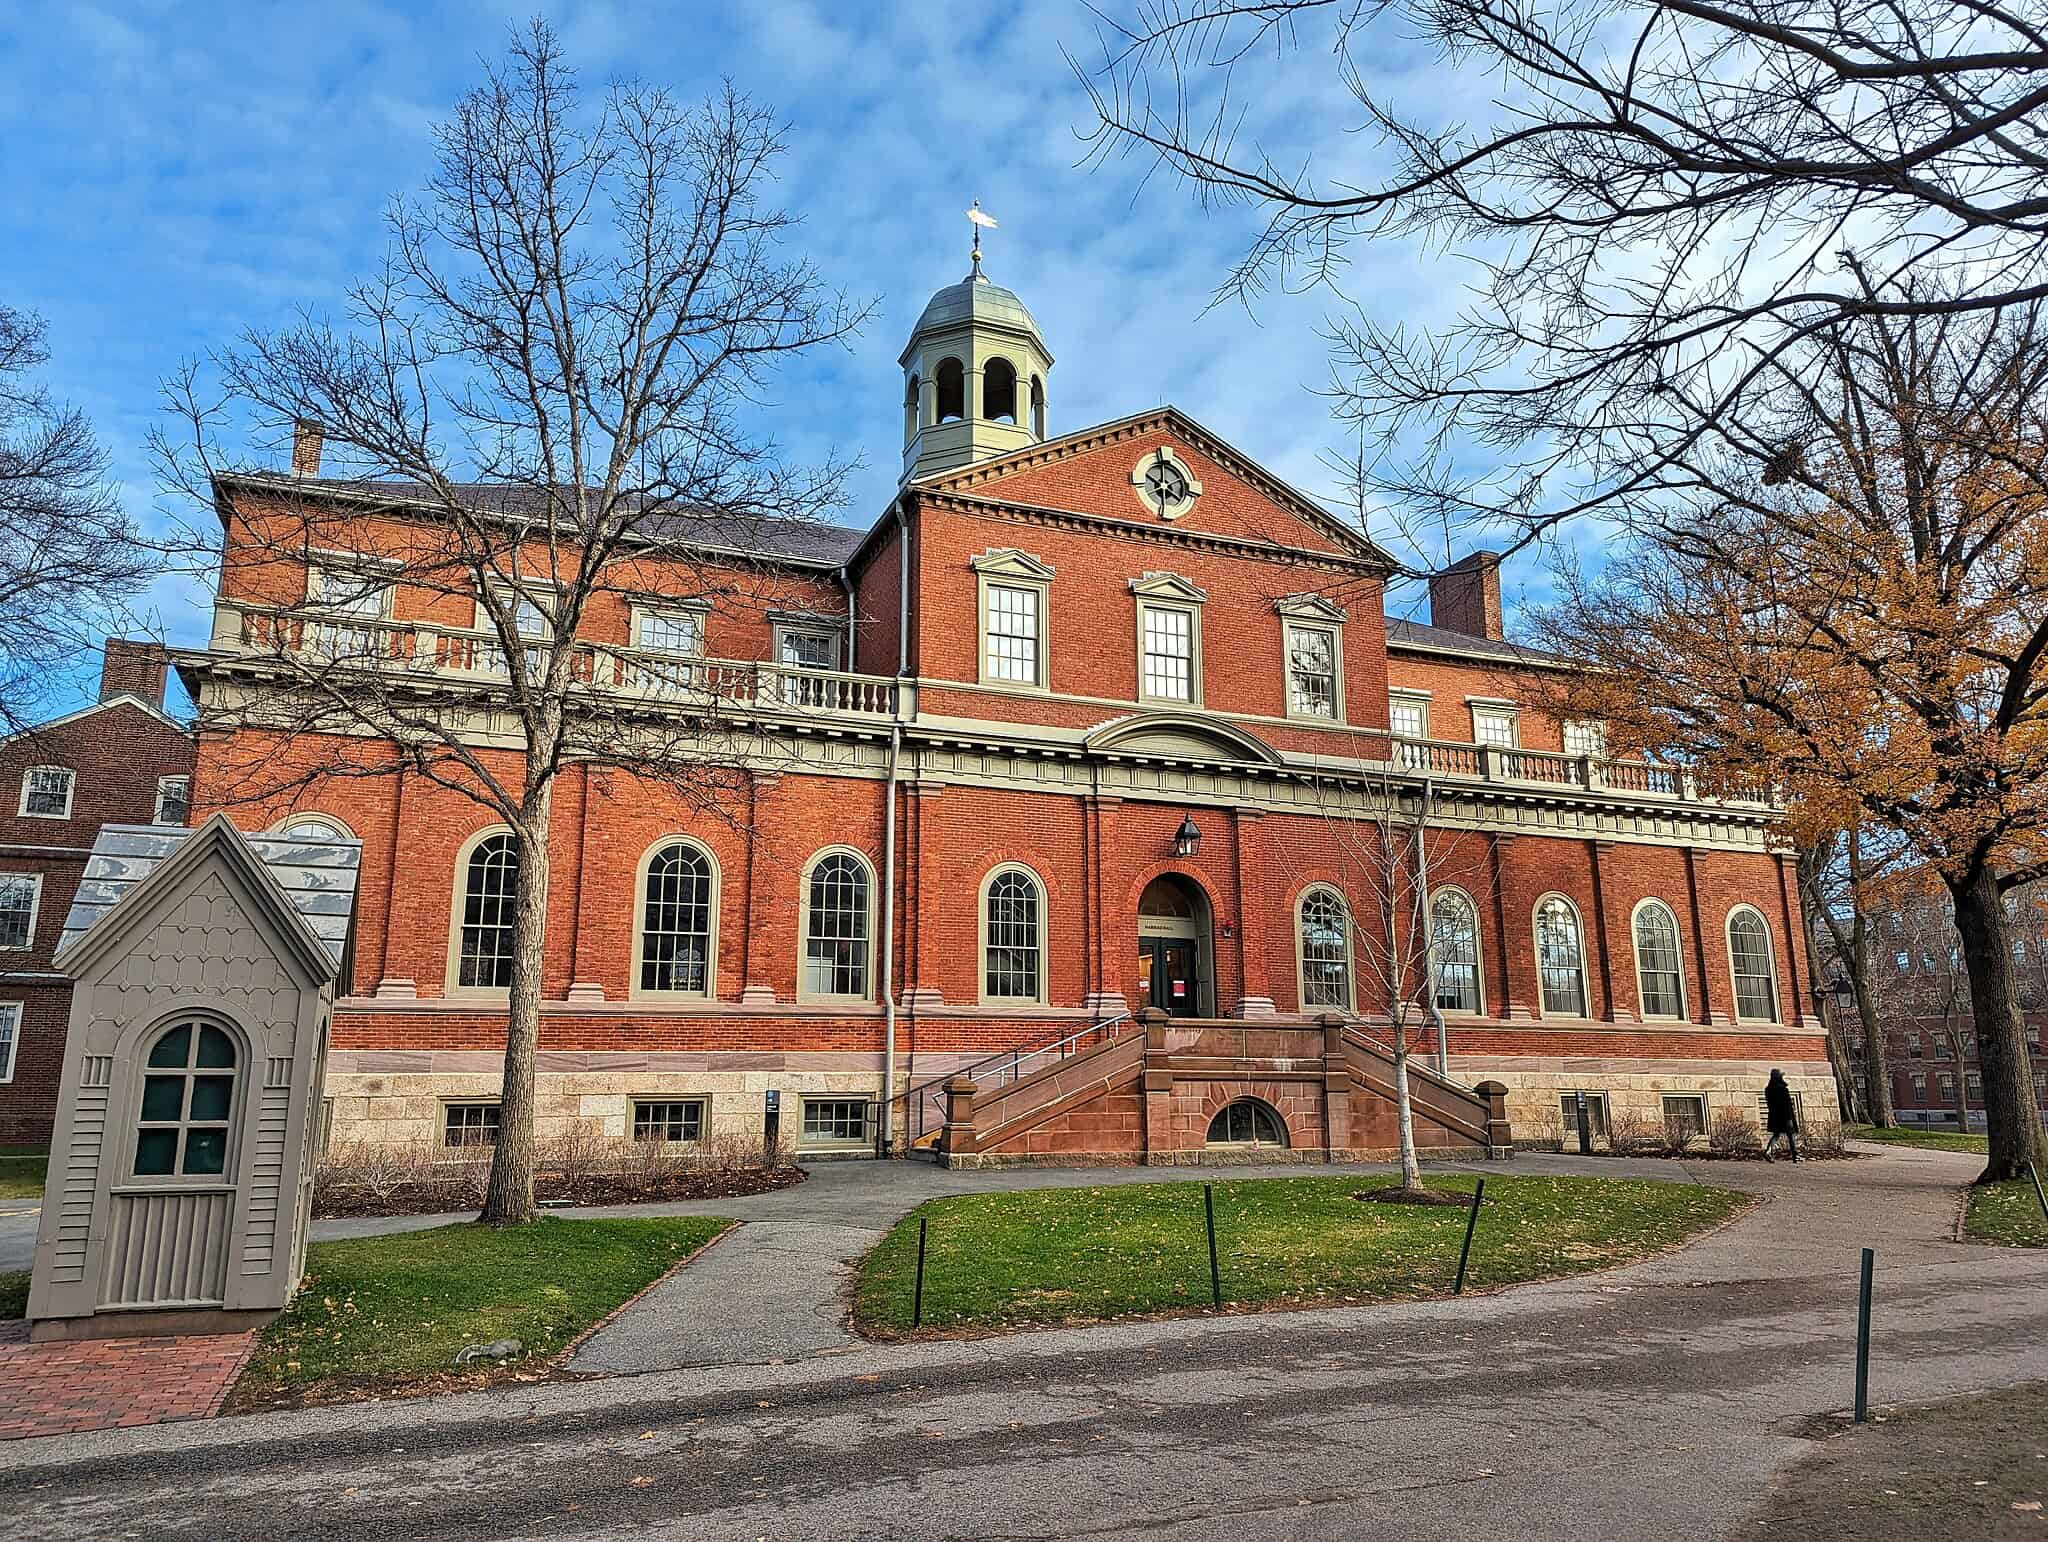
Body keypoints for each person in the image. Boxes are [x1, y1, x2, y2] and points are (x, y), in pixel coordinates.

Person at [1762, 1068, 1800, 1162]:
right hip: (1785, 1116)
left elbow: (1770, 1104)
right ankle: (1795, 1156)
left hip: (1774, 1115)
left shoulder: (1768, 1089)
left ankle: (1768, 1151)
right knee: (1791, 1135)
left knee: (1776, 1134)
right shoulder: (1783, 1089)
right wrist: (1790, 1118)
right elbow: (1787, 1105)